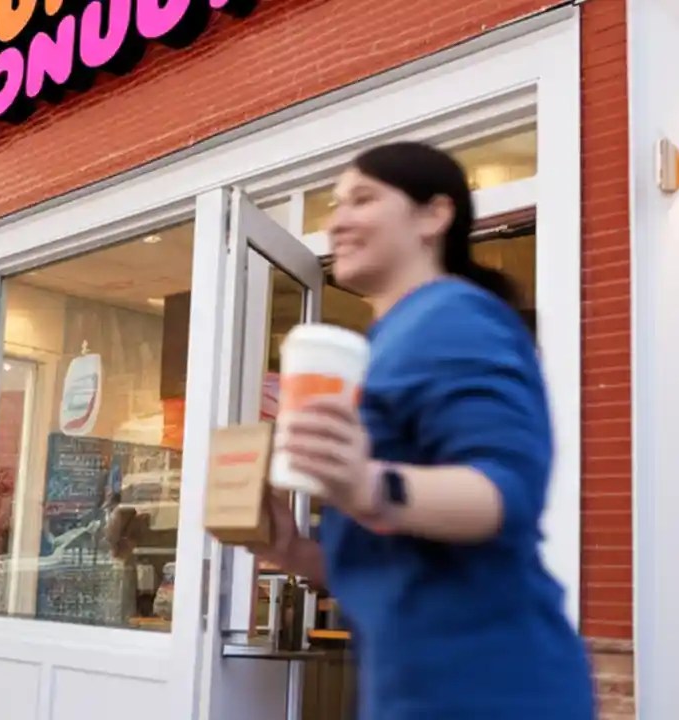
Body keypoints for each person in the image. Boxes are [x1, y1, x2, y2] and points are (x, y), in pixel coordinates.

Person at [254, 142, 595, 719]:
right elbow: (390, 565)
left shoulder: (453, 315)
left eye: (362, 199)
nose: (336, 220)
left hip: (493, 691)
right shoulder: (384, 344)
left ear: (434, 216)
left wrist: (366, 484)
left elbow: (502, 493)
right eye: (335, 204)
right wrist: (289, 548)